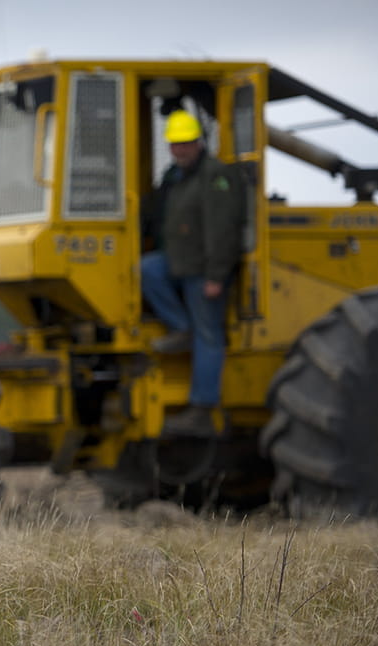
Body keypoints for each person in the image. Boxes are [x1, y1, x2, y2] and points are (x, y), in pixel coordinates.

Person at [140, 109, 244, 437]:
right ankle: (180, 327)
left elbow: (223, 230)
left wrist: (216, 276)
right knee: (148, 269)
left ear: (198, 143)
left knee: (208, 335)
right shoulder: (175, 177)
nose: (180, 150)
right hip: (179, 262)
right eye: (175, 144)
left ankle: (201, 410)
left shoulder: (215, 176)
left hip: (204, 270)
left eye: (186, 144)